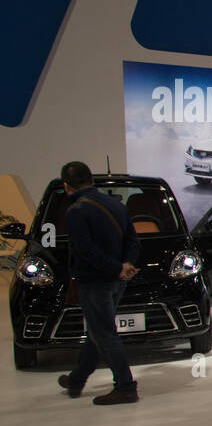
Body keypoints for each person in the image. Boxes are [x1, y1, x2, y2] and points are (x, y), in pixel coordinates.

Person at [57, 161, 141, 405]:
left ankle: (126, 386)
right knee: (97, 331)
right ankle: (77, 379)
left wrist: (116, 268)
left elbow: (85, 251)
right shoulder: (116, 205)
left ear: (66, 186)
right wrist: (126, 266)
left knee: (104, 333)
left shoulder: (75, 211)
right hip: (118, 281)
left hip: (95, 282)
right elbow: (134, 241)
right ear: (91, 180)